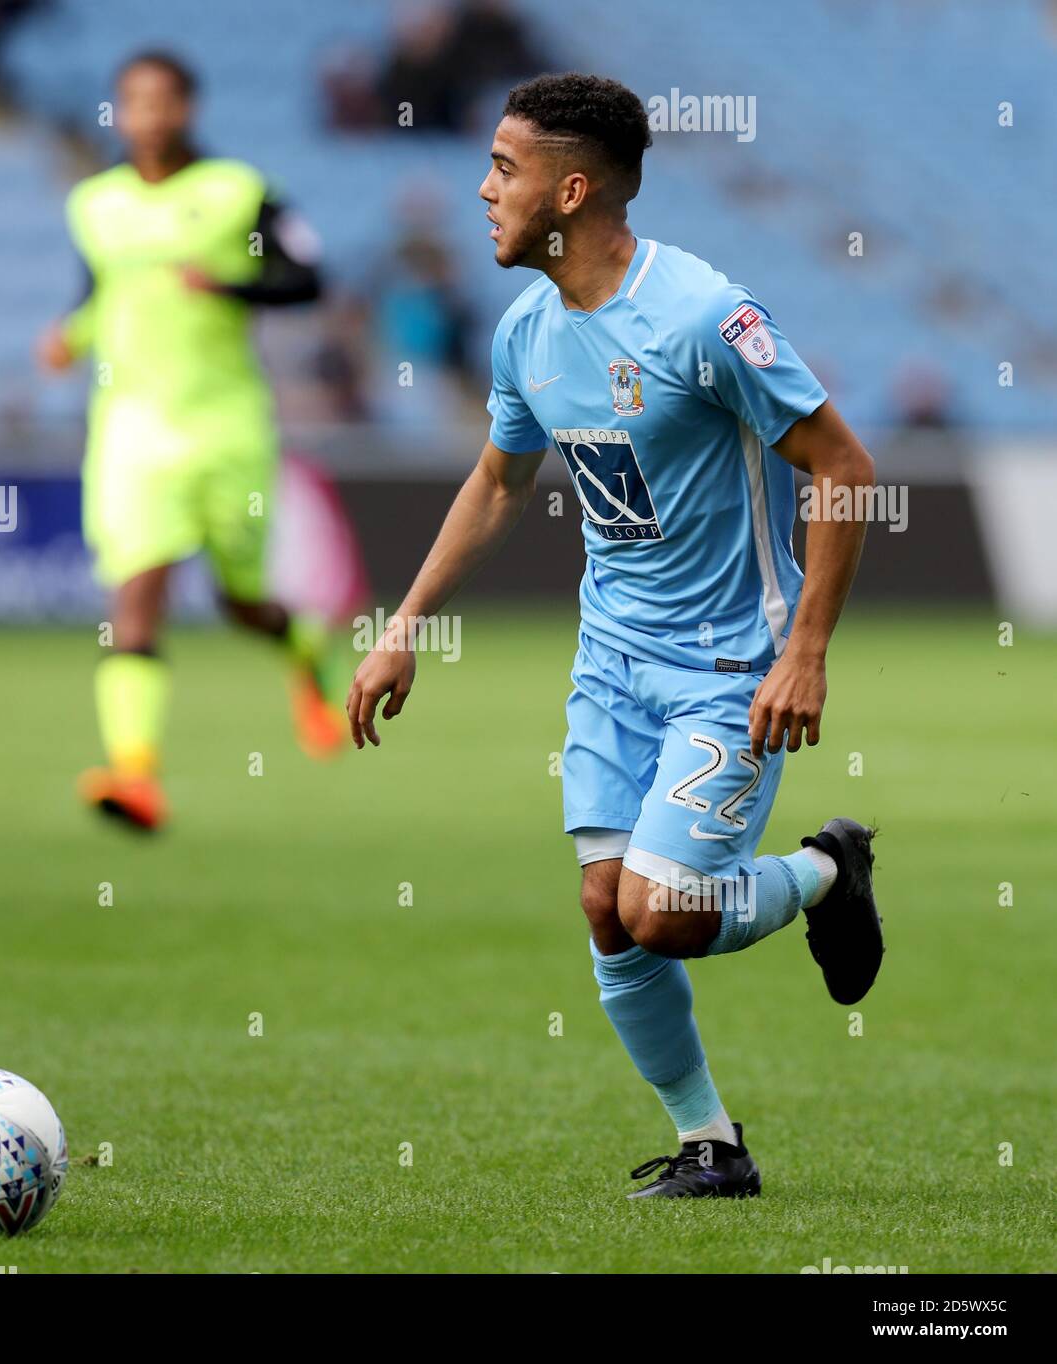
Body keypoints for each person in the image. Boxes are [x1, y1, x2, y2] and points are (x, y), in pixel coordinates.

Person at [346, 73, 884, 1197]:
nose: (483, 187)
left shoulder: (701, 315)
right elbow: (498, 482)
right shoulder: (526, 329)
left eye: (505, 167)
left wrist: (807, 652)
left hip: (730, 666)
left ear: (570, 187)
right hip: (610, 667)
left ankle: (825, 874)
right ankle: (710, 1143)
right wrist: (402, 626)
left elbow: (842, 468)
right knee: (607, 909)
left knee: (662, 911)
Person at [38, 51, 340, 832]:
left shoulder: (238, 191)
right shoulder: (95, 204)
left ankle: (303, 646)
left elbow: (309, 278)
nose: (150, 115)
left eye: (164, 100)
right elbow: (101, 293)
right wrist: (69, 337)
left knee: (241, 603)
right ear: (118, 110)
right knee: (136, 596)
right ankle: (135, 774)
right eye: (135, 101)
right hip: (130, 428)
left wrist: (231, 287)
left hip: (226, 424)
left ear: (188, 107)